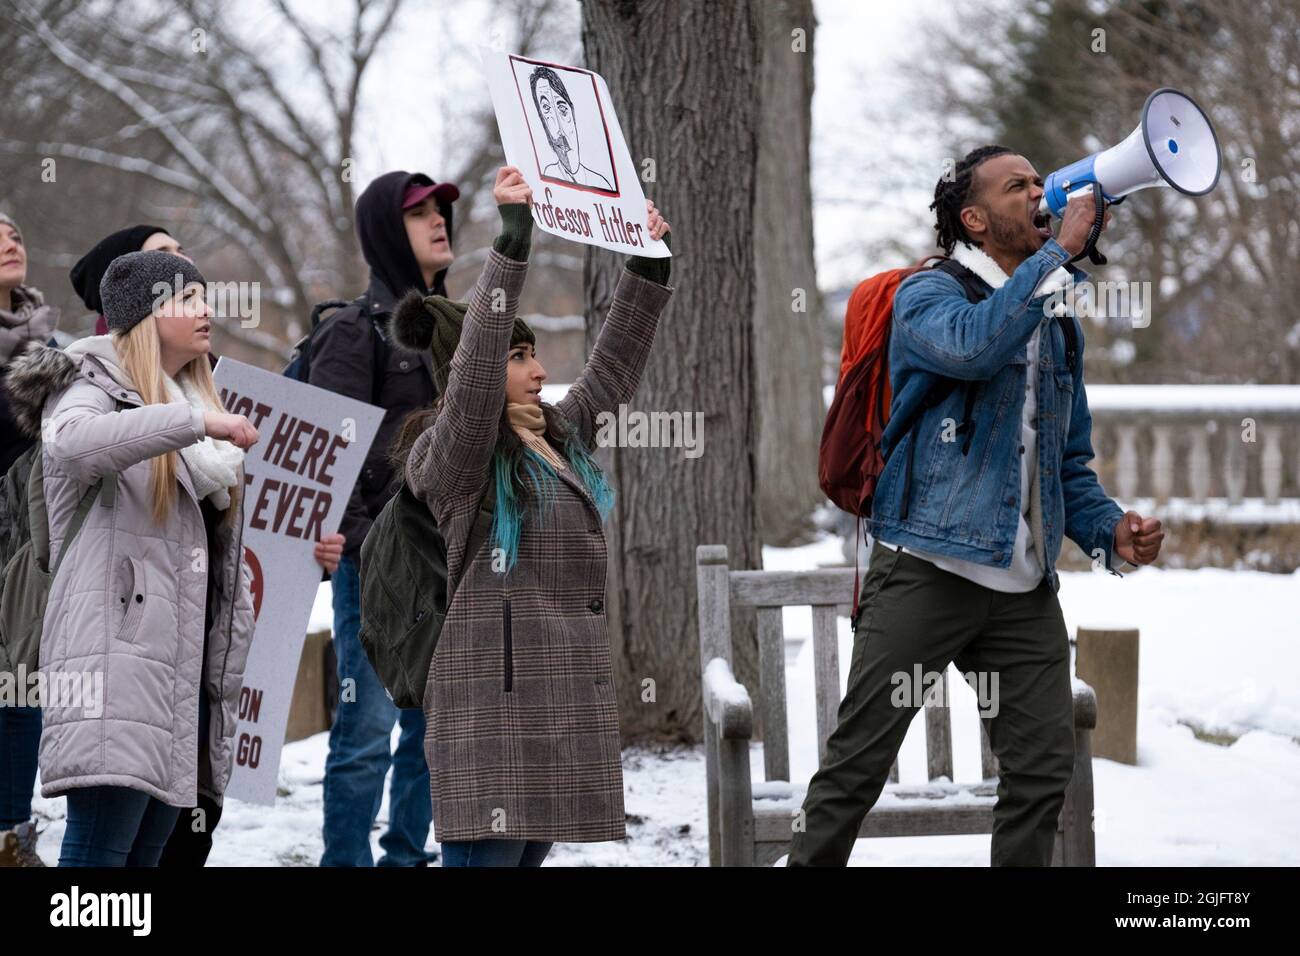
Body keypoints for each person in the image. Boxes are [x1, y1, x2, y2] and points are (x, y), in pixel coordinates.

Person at [788, 146, 1164, 867]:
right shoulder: (927, 296)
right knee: (854, 773)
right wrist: (1058, 253)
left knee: (1041, 773)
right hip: (925, 568)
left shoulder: (1054, 320)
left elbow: (1064, 464)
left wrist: (1110, 530)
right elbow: (973, 350)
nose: (1036, 194)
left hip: (1020, 591)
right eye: (1016, 186)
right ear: (975, 217)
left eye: (1037, 183)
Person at [389, 166, 673, 867]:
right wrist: (512, 240)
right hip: (489, 708)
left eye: (535, 352)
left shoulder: (553, 438)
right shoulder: (450, 455)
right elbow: (476, 375)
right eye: (519, 356)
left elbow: (610, 375)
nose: (538, 369)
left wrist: (648, 267)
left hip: (555, 708)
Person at [3, 249, 264, 866]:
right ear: (144, 318)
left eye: (205, 297)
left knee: (143, 865)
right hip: (109, 667)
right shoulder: (84, 383)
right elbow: (72, 446)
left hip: (178, 676)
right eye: (185, 298)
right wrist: (194, 421)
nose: (206, 311)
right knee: (98, 856)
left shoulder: (198, 420)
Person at [310, 169, 459, 867]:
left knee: (433, 731)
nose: (439, 222)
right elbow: (331, 461)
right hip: (374, 569)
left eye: (441, 211)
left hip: (450, 564)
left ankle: (406, 858)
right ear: (383, 233)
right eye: (419, 214)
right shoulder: (351, 332)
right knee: (366, 731)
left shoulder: (458, 329)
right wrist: (378, 551)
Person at [0, 213, 60, 867]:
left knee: (20, 693)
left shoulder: (52, 348)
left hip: (27, 552)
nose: (11, 240)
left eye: (16, 231)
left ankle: (12, 838)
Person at [529, 66, 614, 190]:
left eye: (563, 110)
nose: (560, 131)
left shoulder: (601, 183)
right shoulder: (543, 182)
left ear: (573, 114)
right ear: (541, 120)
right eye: (546, 109)